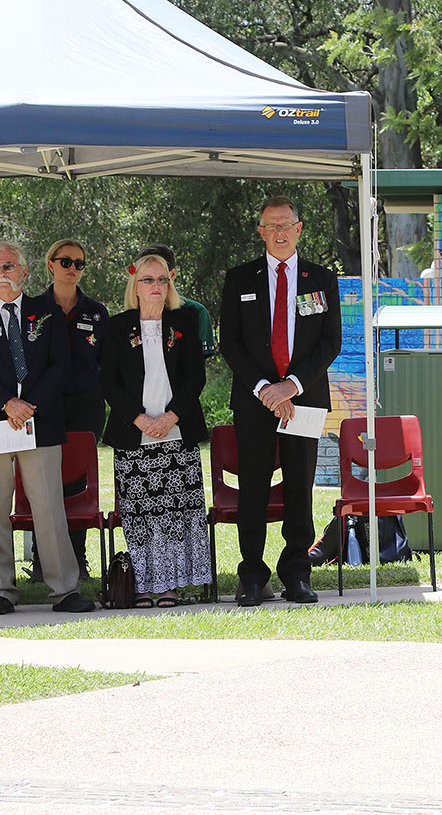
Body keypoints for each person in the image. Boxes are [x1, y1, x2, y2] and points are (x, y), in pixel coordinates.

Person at [0, 241, 95, 615]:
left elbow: (58, 367)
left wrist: (29, 407)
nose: (1, 273)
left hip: (40, 420)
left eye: (8, 266)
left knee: (49, 506)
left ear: (25, 272)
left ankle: (64, 590)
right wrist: (7, 404)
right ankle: (0, 589)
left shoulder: (46, 314)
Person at [219, 196, 342, 606]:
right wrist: (264, 389)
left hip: (304, 399)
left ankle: (297, 574)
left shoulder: (320, 279)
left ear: (299, 228)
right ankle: (253, 575)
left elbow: (330, 342)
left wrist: (290, 385)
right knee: (253, 485)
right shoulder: (240, 279)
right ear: (261, 231)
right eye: (271, 225)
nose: (280, 232)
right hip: (254, 400)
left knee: (299, 489)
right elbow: (230, 343)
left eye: (286, 224)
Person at [100, 251, 211, 606]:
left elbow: (196, 377)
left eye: (162, 280)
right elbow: (108, 382)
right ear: (135, 285)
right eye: (148, 280)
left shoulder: (184, 323)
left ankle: (170, 586)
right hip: (134, 435)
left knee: (176, 514)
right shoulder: (117, 327)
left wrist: (170, 417)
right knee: (140, 514)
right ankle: (143, 586)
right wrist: (141, 418)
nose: (156, 287)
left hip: (176, 433)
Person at [31, 238, 109, 581]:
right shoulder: (32, 309)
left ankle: (78, 558)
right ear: (50, 265)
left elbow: (107, 361)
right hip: (42, 408)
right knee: (42, 484)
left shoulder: (96, 312)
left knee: (77, 484)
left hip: (84, 408)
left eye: (79, 263)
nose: (73, 269)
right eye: (66, 262)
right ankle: (41, 562)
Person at [134, 244, 217, 357]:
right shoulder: (131, 311)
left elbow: (198, 364)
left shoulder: (197, 312)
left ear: (172, 274)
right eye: (145, 277)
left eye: (159, 277)